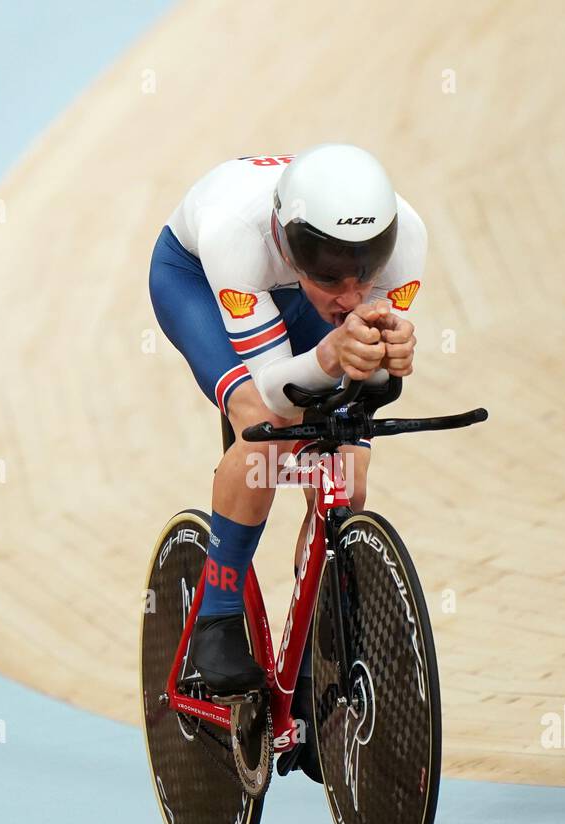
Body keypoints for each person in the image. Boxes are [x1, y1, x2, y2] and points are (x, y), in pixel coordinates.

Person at [148, 144, 426, 780]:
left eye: (366, 273)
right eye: (332, 277)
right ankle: (216, 618)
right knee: (265, 438)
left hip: (291, 297)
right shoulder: (235, 237)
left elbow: (369, 367)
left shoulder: (407, 236)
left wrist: (390, 353)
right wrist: (331, 356)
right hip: (197, 280)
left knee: (347, 479)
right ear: (294, 247)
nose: (352, 293)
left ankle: (308, 660)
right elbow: (274, 392)